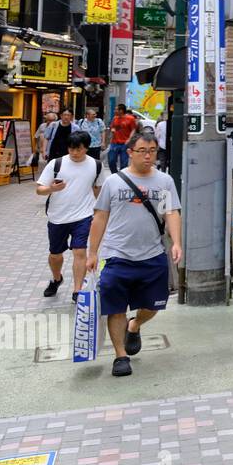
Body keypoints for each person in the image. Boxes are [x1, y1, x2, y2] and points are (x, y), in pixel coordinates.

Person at [86, 131, 182, 377]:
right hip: (117, 255)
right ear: (130, 152)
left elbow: (171, 212)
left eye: (152, 151)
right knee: (115, 307)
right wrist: (92, 251)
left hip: (152, 254)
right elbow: (100, 216)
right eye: (143, 151)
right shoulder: (114, 182)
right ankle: (120, 356)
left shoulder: (164, 181)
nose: (148, 156)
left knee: (153, 306)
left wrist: (177, 243)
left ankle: (135, 324)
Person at [35, 130, 107, 300]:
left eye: (79, 149)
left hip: (83, 215)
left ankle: (77, 291)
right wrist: (52, 188)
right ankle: (57, 278)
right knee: (55, 254)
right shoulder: (56, 164)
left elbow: (98, 190)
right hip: (57, 216)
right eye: (71, 149)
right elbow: (39, 190)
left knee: (80, 252)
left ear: (87, 148)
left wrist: (101, 214)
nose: (75, 153)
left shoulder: (96, 165)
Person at [106, 104, 137, 173]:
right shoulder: (115, 118)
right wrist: (112, 129)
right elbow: (112, 127)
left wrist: (129, 139)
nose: (114, 111)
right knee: (111, 161)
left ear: (121, 110)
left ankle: (122, 176)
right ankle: (115, 174)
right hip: (114, 143)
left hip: (125, 143)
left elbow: (133, 129)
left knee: (124, 163)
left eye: (116, 109)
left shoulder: (130, 118)